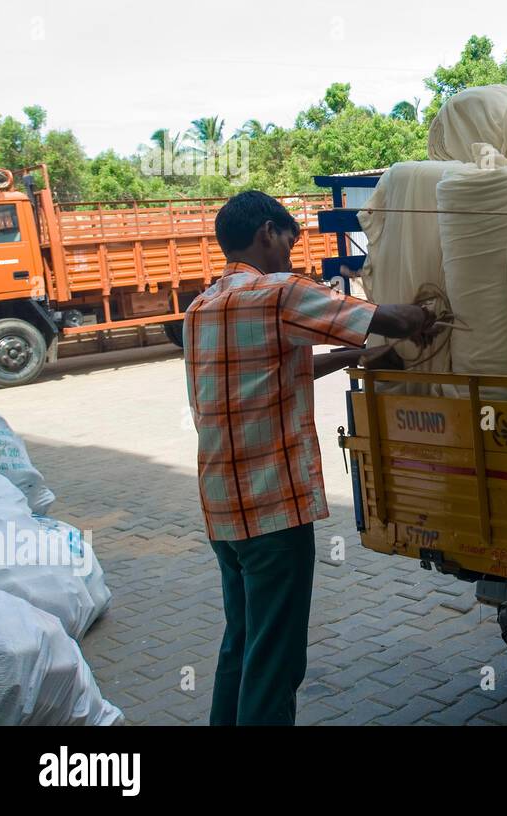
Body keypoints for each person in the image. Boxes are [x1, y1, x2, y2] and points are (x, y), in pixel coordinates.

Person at [183, 190, 434, 725]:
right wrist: (422, 316)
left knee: (243, 642)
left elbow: (266, 373)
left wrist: (350, 356)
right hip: (274, 510)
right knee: (275, 661)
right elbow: (382, 317)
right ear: (267, 233)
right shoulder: (278, 293)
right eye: (289, 242)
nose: (291, 258)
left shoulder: (202, 307)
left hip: (223, 513)